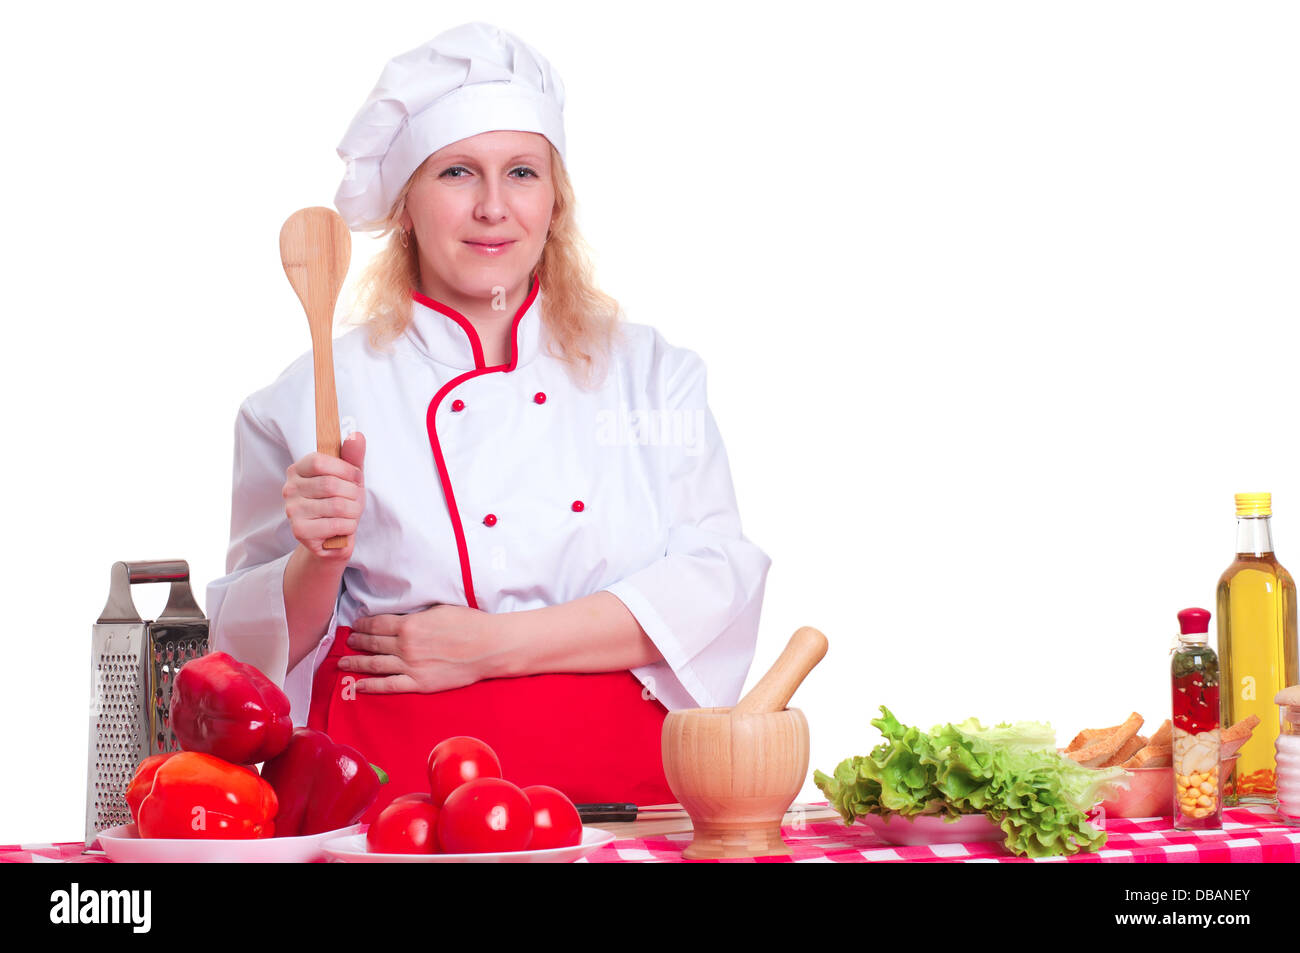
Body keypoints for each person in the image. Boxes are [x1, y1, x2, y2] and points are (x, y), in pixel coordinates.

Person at [206, 22, 770, 819]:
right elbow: (249, 660)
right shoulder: (304, 401)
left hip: (631, 798)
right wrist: (319, 559)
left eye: (523, 173)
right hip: (394, 807)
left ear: (556, 201)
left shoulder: (652, 377)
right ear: (406, 203)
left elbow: (715, 581)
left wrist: (489, 647)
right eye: (458, 171)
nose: (494, 208)